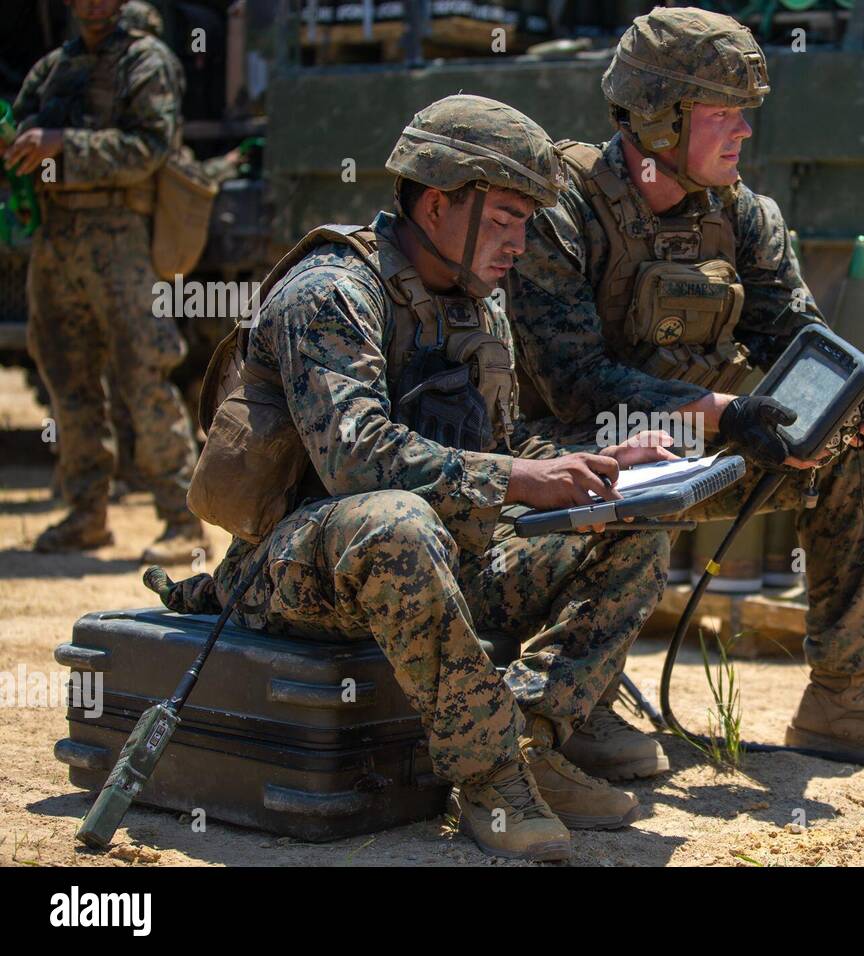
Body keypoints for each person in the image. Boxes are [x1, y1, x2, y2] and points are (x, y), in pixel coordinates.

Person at [165, 95, 674, 862]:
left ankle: (532, 738)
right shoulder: (332, 292)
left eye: (528, 220)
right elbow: (355, 460)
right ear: (439, 205)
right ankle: (493, 776)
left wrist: (600, 464)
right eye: (505, 217)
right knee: (393, 520)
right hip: (303, 567)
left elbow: (496, 444)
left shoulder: (477, 305)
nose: (520, 241)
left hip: (444, 551)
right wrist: (519, 478)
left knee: (632, 520)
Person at [509, 6, 864, 778]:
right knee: (626, 475)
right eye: (723, 114)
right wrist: (723, 413)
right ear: (657, 121)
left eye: (745, 114)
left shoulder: (745, 215)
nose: (744, 133)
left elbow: (796, 340)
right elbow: (574, 381)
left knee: (850, 446)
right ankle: (580, 698)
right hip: (571, 450)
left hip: (704, 445)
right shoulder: (562, 209)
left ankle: (841, 699)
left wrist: (845, 399)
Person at [4, 0, 205, 562]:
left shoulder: (147, 60)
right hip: (58, 234)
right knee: (66, 375)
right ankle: (86, 513)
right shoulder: (53, 67)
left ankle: (180, 520)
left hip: (122, 233)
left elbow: (150, 147)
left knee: (144, 369)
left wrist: (64, 144)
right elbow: (23, 130)